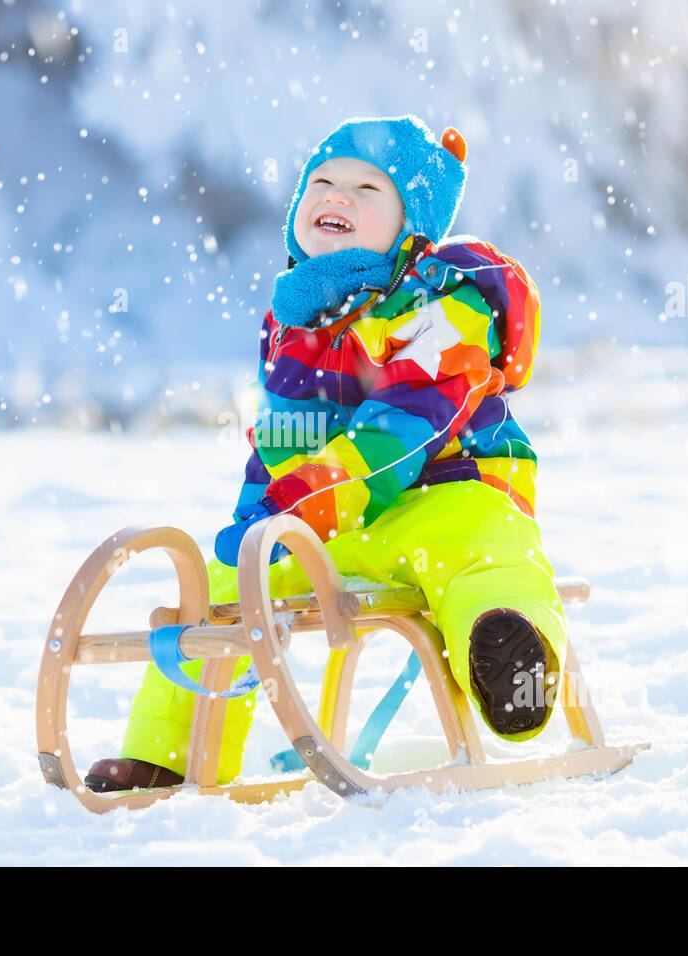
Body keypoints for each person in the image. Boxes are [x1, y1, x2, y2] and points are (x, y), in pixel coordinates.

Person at [85, 114, 567, 792]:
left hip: (450, 490)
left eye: (368, 188)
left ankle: (511, 651)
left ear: (413, 229)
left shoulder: (443, 306)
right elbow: (280, 438)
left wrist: (308, 499)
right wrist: (261, 520)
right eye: (323, 181)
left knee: (485, 555)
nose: (337, 196)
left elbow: (403, 429)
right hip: (333, 520)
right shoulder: (294, 321)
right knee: (222, 587)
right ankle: (171, 755)